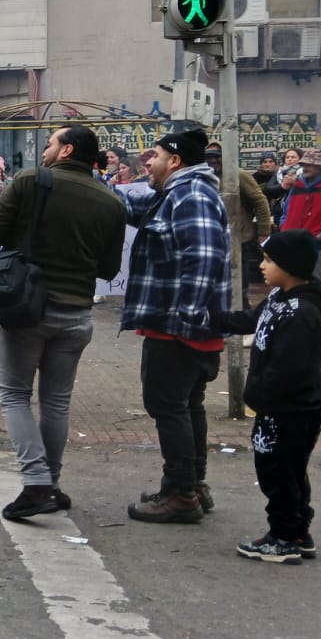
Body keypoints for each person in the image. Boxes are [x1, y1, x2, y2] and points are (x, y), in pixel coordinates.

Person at [0, 125, 128, 520]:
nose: (45, 149)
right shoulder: (112, 201)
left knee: (14, 395)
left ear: (66, 151)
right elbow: (109, 267)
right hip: (77, 313)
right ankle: (52, 483)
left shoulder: (32, 181)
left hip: (29, 308)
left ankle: (36, 482)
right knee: (56, 402)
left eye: (50, 143)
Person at [121, 128, 231, 524]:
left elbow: (203, 257)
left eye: (154, 156)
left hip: (178, 328)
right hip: (182, 326)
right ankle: (192, 484)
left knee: (168, 406)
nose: (147, 163)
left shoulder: (192, 195)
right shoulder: (176, 195)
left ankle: (181, 494)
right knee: (186, 405)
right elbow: (137, 211)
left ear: (175, 161)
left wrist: (186, 318)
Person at [211, 229, 321, 563]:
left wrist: (260, 397)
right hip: (281, 406)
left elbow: (288, 368)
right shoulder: (279, 299)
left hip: (290, 408)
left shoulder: (300, 313)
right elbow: (251, 319)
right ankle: (297, 531)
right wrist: (211, 318)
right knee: (286, 469)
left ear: (289, 266)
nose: (262, 266)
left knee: (279, 471)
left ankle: (282, 538)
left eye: (269, 260)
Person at [279, 147, 321, 341]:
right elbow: (287, 211)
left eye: (310, 164)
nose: (305, 167)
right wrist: (284, 227)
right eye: (304, 164)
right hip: (295, 244)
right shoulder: (298, 186)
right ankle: (296, 319)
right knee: (295, 283)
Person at [204, 141, 273, 289]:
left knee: (239, 289)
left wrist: (264, 233)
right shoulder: (203, 178)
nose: (212, 160)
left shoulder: (238, 174)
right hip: (213, 241)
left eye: (217, 156)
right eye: (208, 157)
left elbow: (260, 202)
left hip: (239, 240)